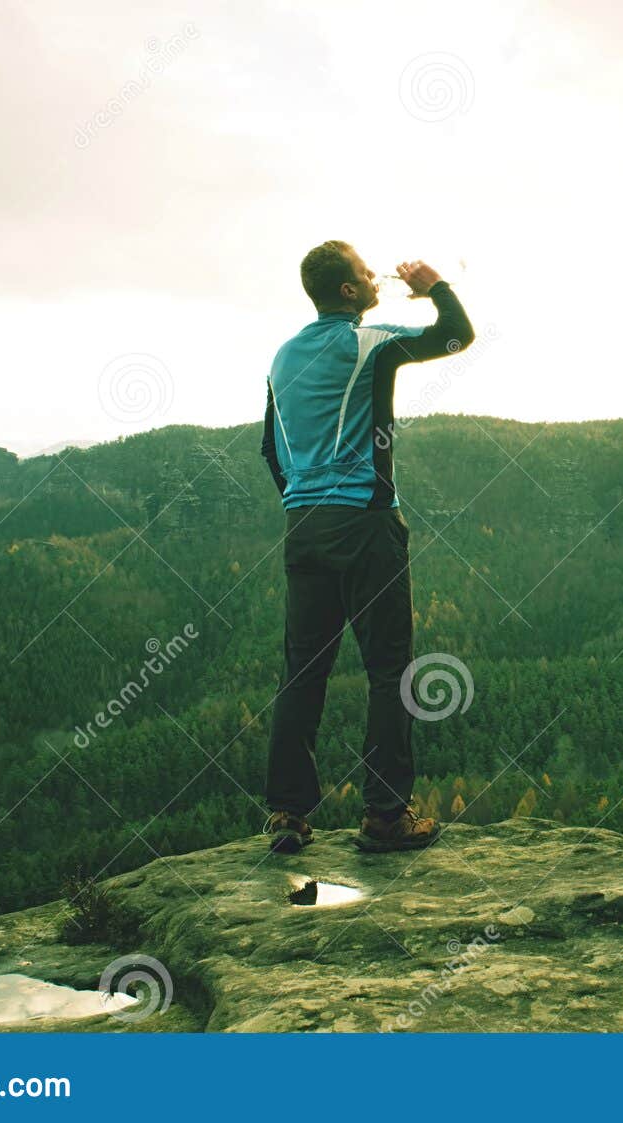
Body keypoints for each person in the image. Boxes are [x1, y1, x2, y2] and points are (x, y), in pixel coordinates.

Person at [259, 240, 474, 854]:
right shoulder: (370, 342)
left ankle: (289, 815)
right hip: (366, 525)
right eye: (364, 272)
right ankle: (385, 816)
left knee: (302, 672)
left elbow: (271, 447)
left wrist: (302, 498)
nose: (375, 276)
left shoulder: (282, 356)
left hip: (303, 526)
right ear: (349, 291)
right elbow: (457, 336)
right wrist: (435, 286)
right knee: (389, 672)